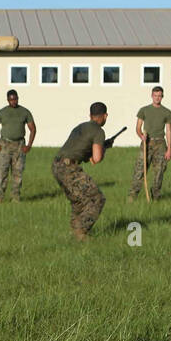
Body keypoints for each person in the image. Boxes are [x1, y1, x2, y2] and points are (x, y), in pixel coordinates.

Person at [53, 102, 115, 240]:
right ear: (105, 116)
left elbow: (87, 157)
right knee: (98, 198)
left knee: (78, 201)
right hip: (69, 168)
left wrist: (103, 145)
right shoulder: (99, 131)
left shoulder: (80, 127)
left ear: (90, 115)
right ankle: (80, 231)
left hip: (57, 165)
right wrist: (103, 148)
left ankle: (74, 234)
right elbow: (97, 159)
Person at [0, 89, 35, 202]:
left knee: (18, 173)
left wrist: (29, 145)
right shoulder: (2, 112)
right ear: (7, 100)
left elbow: (32, 129)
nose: (13, 101)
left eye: (15, 99)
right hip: (5, 145)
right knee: (2, 172)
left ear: (18, 98)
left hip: (19, 145)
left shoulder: (25, 112)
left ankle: (16, 197)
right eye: (11, 100)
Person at [128, 86, 171, 201]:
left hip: (160, 144)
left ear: (162, 97)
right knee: (139, 171)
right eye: (155, 95)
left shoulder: (167, 112)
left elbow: (168, 131)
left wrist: (169, 149)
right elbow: (138, 127)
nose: (157, 98)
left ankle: (156, 197)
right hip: (147, 143)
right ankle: (132, 196)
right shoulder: (144, 110)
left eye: (159, 96)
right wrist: (141, 136)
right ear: (152, 96)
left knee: (159, 172)